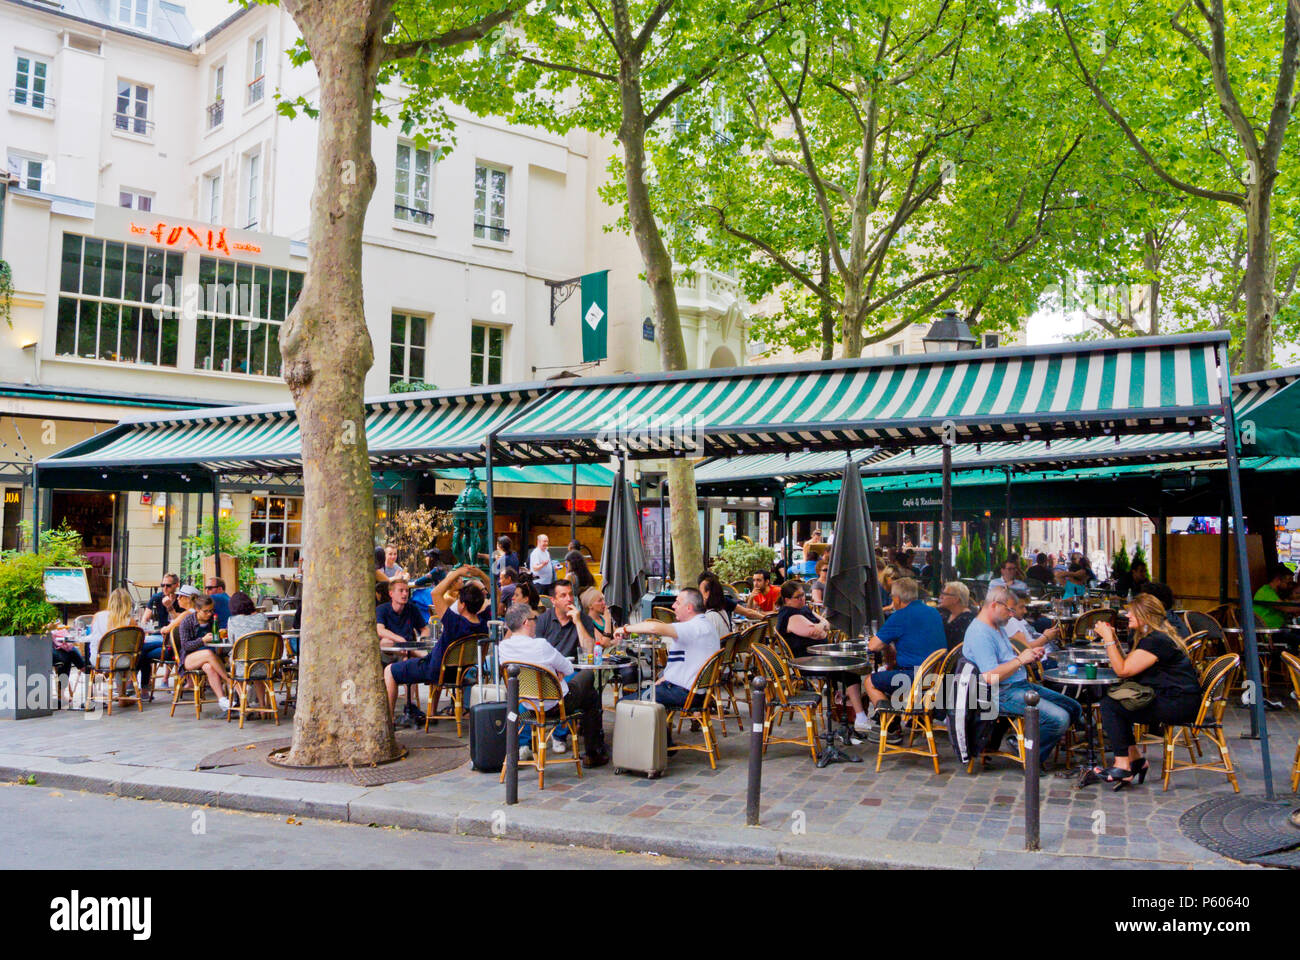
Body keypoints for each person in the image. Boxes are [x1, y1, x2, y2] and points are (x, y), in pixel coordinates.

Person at [1086, 594, 1203, 788]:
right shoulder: (1153, 636)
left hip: (1178, 703)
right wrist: (1114, 639)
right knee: (1115, 700)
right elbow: (1128, 664)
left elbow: (1123, 670)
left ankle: (1122, 765)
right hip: (1176, 697)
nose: (1127, 615)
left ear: (1145, 616)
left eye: (1132, 612)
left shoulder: (1156, 641)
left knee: (1111, 705)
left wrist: (1107, 639)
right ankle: (1135, 760)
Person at [962, 585, 1082, 772]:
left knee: (1073, 708)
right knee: (1059, 719)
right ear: (994, 605)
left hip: (1017, 685)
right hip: (999, 693)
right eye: (1009, 610)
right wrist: (1020, 660)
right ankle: (1030, 757)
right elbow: (990, 677)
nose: (1012, 615)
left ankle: (1027, 745)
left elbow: (1007, 659)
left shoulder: (996, 626)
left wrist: (1029, 655)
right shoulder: (980, 633)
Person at [499, 603, 610, 766]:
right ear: (526, 622)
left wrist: (554, 670)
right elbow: (568, 668)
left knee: (588, 694)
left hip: (528, 704)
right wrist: (558, 671)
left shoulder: (503, 647)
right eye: (534, 619)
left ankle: (588, 748)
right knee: (588, 680)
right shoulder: (540, 645)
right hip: (556, 704)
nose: (536, 623)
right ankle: (593, 752)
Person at [383, 569, 486, 726]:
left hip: (435, 671)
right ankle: (431, 713)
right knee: (429, 658)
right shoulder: (482, 624)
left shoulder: (453, 622)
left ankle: (389, 721)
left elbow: (436, 593)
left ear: (463, 605)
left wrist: (456, 573)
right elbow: (497, 595)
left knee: (389, 670)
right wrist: (483, 575)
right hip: (461, 672)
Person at [773, 579, 873, 736]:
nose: (802, 599)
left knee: (851, 669)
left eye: (803, 595)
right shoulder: (790, 615)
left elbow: (826, 623)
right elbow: (815, 632)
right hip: (808, 663)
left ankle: (852, 712)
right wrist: (821, 627)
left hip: (820, 658)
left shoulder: (803, 609)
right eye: (797, 597)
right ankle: (859, 717)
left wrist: (820, 627)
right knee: (849, 673)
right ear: (787, 600)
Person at [614, 589, 721, 725]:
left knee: (623, 704)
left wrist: (625, 629)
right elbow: (692, 663)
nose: (673, 606)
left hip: (683, 693)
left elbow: (653, 628)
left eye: (678, 603)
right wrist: (665, 678)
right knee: (645, 693)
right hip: (697, 693)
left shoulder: (693, 627)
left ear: (689, 608)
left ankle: (647, 738)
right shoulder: (706, 626)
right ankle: (661, 736)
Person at [861, 577, 946, 740]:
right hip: (936, 676)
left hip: (915, 678)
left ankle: (890, 727)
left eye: (892, 597)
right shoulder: (933, 612)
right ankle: (900, 719)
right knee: (890, 670)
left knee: (870, 681)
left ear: (897, 599)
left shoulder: (900, 616)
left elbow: (873, 646)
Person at [176, 595, 231, 712]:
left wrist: (220, 633)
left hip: (210, 658)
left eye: (211, 610)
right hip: (189, 658)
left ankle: (222, 701)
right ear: (197, 609)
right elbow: (185, 645)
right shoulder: (187, 621)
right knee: (208, 653)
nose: (209, 614)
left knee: (209, 667)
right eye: (206, 611)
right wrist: (202, 640)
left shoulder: (213, 620)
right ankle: (229, 680)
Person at [534, 579, 598, 660]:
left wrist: (578, 623)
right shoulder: (543, 620)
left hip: (574, 666)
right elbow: (536, 652)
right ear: (553, 600)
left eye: (571, 594)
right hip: (549, 665)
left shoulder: (584, 619)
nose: (569, 599)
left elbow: (589, 651)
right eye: (563, 595)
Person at [1253, 563, 1300, 652]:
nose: (1289, 586)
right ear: (1278, 580)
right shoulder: (1266, 592)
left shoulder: (1275, 593)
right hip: (1270, 634)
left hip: (1279, 630)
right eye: (1288, 582)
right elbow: (1286, 607)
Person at [937, 581, 975, 651]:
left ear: (956, 599)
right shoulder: (946, 613)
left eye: (945, 594)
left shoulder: (966, 621)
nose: (941, 597)